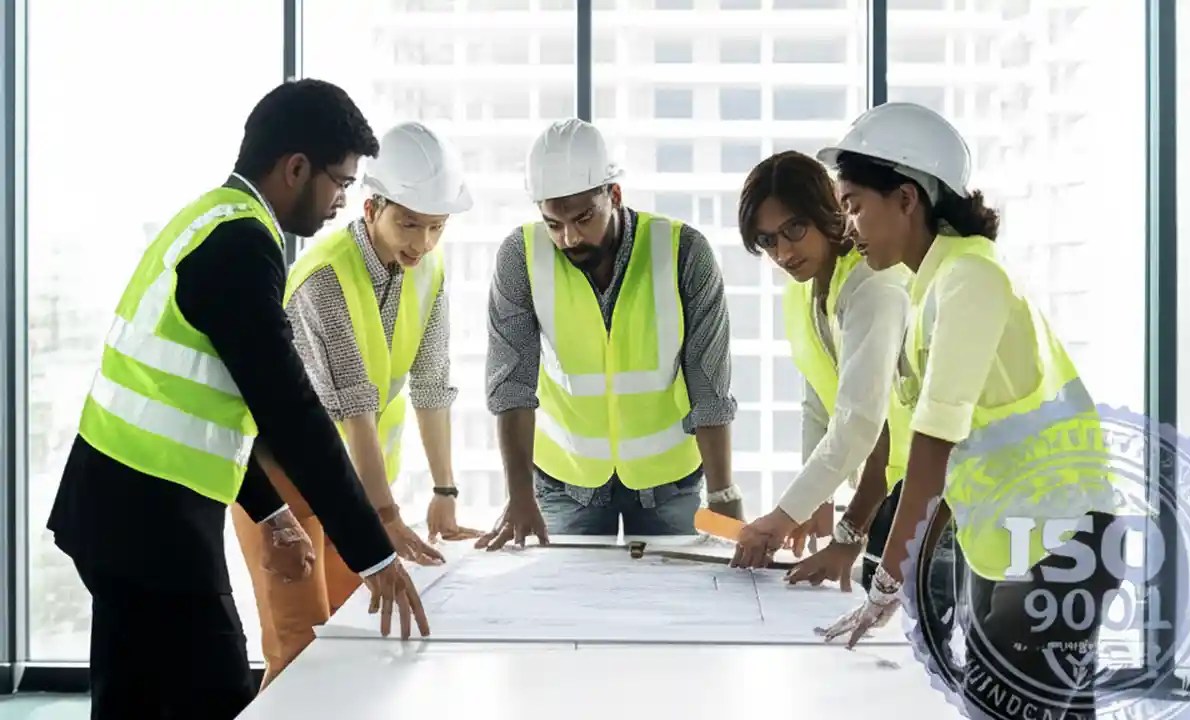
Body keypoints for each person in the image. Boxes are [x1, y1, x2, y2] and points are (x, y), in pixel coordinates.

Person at [46, 79, 428, 720]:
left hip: (116, 507)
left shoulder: (211, 218)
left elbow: (203, 402)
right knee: (219, 694)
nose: (340, 201)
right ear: (296, 168)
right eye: (340, 181)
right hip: (150, 526)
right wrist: (375, 554)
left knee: (134, 701)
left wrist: (270, 511)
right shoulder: (243, 246)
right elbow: (291, 411)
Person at [813, 102, 1124, 719]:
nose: (848, 224)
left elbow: (934, 445)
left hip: (1057, 545)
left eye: (853, 203)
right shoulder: (933, 285)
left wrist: (888, 581)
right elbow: (955, 458)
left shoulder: (968, 282)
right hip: (1017, 545)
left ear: (906, 198)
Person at [230, 120, 480, 687]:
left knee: (357, 639)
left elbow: (432, 382)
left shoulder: (430, 270)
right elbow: (354, 406)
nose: (422, 242)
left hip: (348, 484)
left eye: (436, 226)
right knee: (298, 649)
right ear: (372, 207)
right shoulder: (325, 279)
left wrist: (444, 493)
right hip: (282, 488)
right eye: (408, 223)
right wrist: (384, 518)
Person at [478, 117, 743, 549]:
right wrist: (519, 496)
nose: (569, 238)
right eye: (553, 223)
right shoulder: (520, 257)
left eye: (584, 218)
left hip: (668, 484)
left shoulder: (682, 251)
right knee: (568, 612)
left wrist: (722, 496)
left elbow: (709, 385)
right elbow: (511, 387)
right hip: (567, 483)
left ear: (614, 195)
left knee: (678, 610)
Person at [728, 150, 911, 580]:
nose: (784, 252)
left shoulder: (872, 285)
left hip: (927, 494)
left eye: (794, 228)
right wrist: (812, 503)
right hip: (888, 495)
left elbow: (863, 423)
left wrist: (785, 515)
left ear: (828, 210)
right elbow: (817, 404)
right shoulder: (804, 291)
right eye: (768, 240)